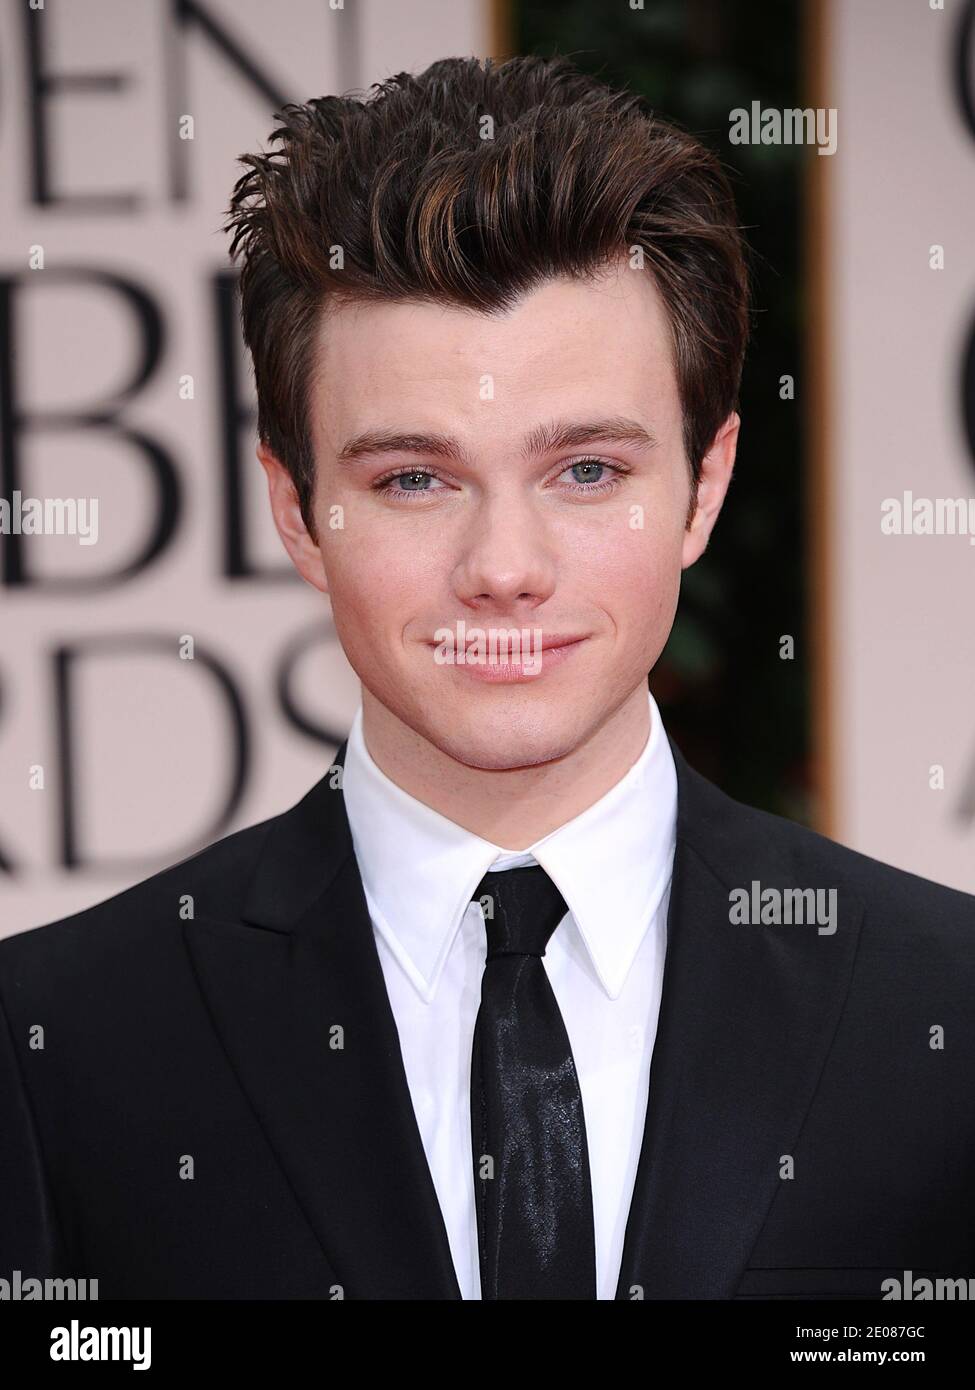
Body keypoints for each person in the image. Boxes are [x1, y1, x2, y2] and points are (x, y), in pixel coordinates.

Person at [1, 54, 973, 1302]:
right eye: (414, 478)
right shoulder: (62, 1043)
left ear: (706, 485)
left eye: (585, 472)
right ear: (296, 510)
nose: (504, 570)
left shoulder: (941, 1007)